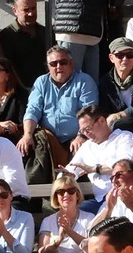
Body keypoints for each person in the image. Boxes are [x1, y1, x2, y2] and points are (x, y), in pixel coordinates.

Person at [20, 46, 98, 182]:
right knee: (28, 151)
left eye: (63, 62)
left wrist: (81, 136)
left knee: (79, 163)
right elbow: (33, 110)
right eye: (53, 64)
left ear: (71, 64)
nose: (58, 67)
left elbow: (88, 113)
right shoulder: (41, 82)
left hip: (77, 138)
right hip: (47, 140)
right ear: (47, 67)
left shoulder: (84, 81)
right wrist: (27, 134)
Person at [66, 106, 133, 209]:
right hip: (100, 201)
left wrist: (95, 169)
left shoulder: (124, 138)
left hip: (126, 196)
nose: (86, 134)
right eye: (82, 131)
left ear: (101, 121)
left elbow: (125, 168)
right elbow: (72, 167)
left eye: (88, 128)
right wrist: (67, 175)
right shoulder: (86, 147)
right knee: (75, 213)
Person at [0, 0, 47, 91]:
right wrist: (24, 89)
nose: (31, 13)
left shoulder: (45, 32)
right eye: (26, 10)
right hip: (21, 92)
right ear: (15, 11)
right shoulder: (7, 35)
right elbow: (8, 66)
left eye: (33, 8)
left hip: (46, 89)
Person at [36, 173, 95, 253]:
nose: (66, 195)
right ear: (56, 197)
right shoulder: (48, 221)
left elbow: (93, 248)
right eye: (61, 192)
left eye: (71, 191)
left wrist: (70, 231)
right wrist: (59, 239)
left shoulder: (89, 218)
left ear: (77, 195)